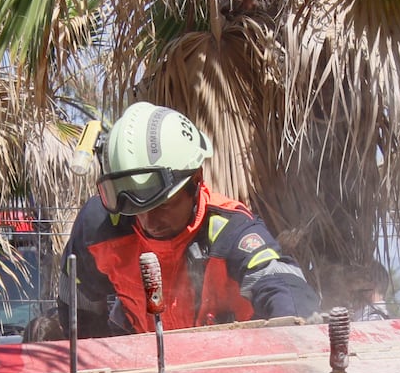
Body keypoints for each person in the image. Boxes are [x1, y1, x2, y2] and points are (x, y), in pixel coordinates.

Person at [58, 102, 318, 336]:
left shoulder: (230, 229)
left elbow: (282, 284)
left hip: (231, 366)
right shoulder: (98, 229)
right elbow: (80, 304)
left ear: (195, 181)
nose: (149, 221)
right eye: (137, 206)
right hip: (141, 364)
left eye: (163, 205)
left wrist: (290, 331)